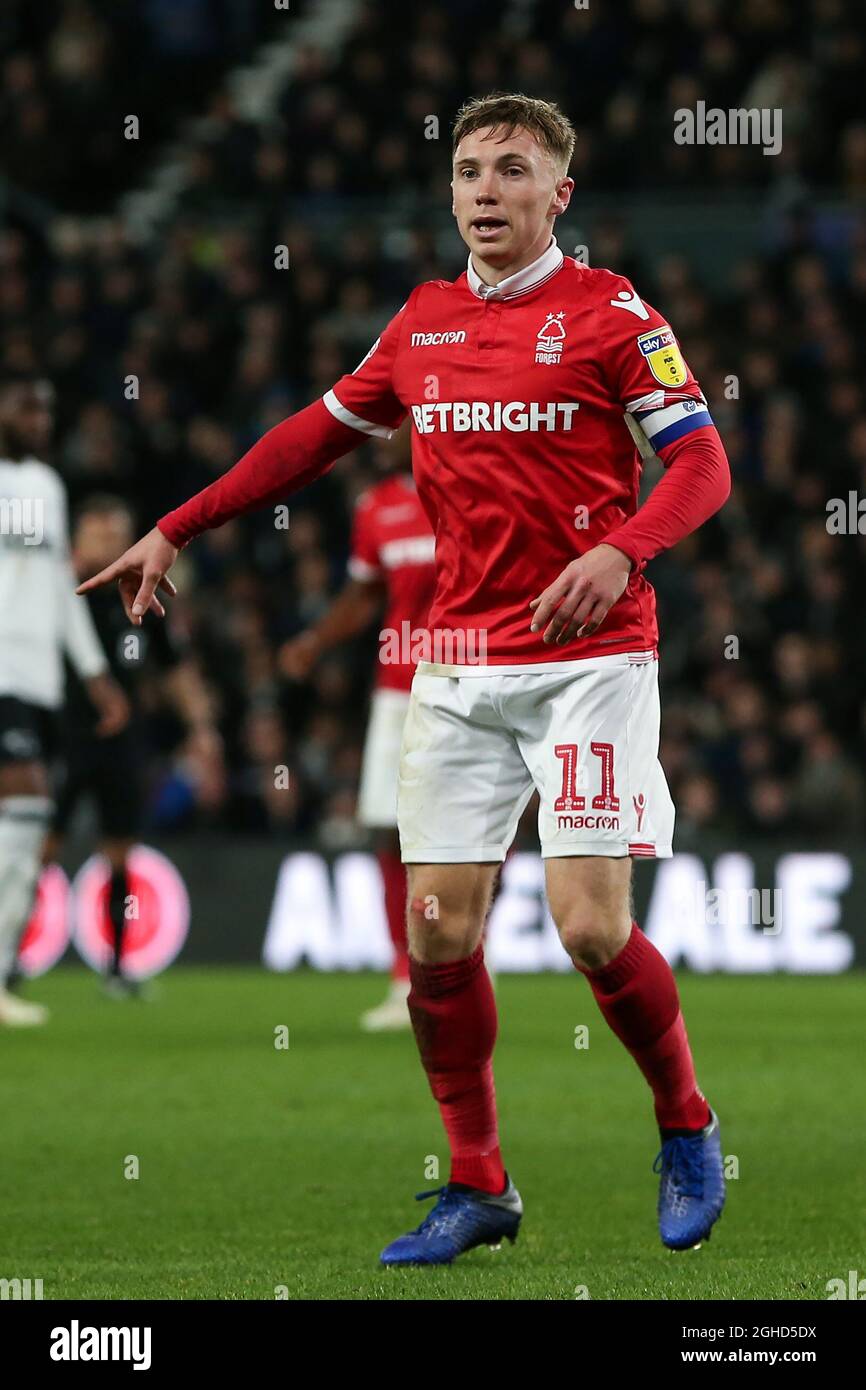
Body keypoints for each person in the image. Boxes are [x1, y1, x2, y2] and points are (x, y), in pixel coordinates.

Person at [78, 93, 731, 1261]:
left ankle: (684, 1122)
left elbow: (700, 464)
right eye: (469, 170)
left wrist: (617, 548)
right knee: (435, 932)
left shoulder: (612, 316)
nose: (484, 189)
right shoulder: (421, 324)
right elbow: (308, 437)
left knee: (587, 928)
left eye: (512, 170)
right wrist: (175, 525)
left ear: (557, 196)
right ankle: (478, 1183)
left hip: (588, 662)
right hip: (456, 664)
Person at [279, 423, 435, 1030]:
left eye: (393, 429)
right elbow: (365, 595)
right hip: (398, 688)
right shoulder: (376, 509)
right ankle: (404, 979)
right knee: (390, 831)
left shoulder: (472, 488)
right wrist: (315, 643)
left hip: (471, 676)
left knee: (479, 832)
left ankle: (472, 959)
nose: (380, 439)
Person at [44, 493, 220, 997]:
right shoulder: (59, 592)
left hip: (123, 744)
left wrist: (202, 729)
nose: (106, 540)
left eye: (115, 532)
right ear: (77, 538)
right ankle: (8, 962)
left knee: (119, 853)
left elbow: (176, 669)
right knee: (38, 849)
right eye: (97, 531)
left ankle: (118, 967)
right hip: (60, 738)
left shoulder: (141, 592)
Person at [0, 374, 128, 1026]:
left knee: (28, 820)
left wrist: (97, 674)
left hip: (39, 679)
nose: (38, 418)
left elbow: (56, 587)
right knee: (25, 806)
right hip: (3, 678)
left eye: (46, 408)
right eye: (25, 406)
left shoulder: (46, 489)